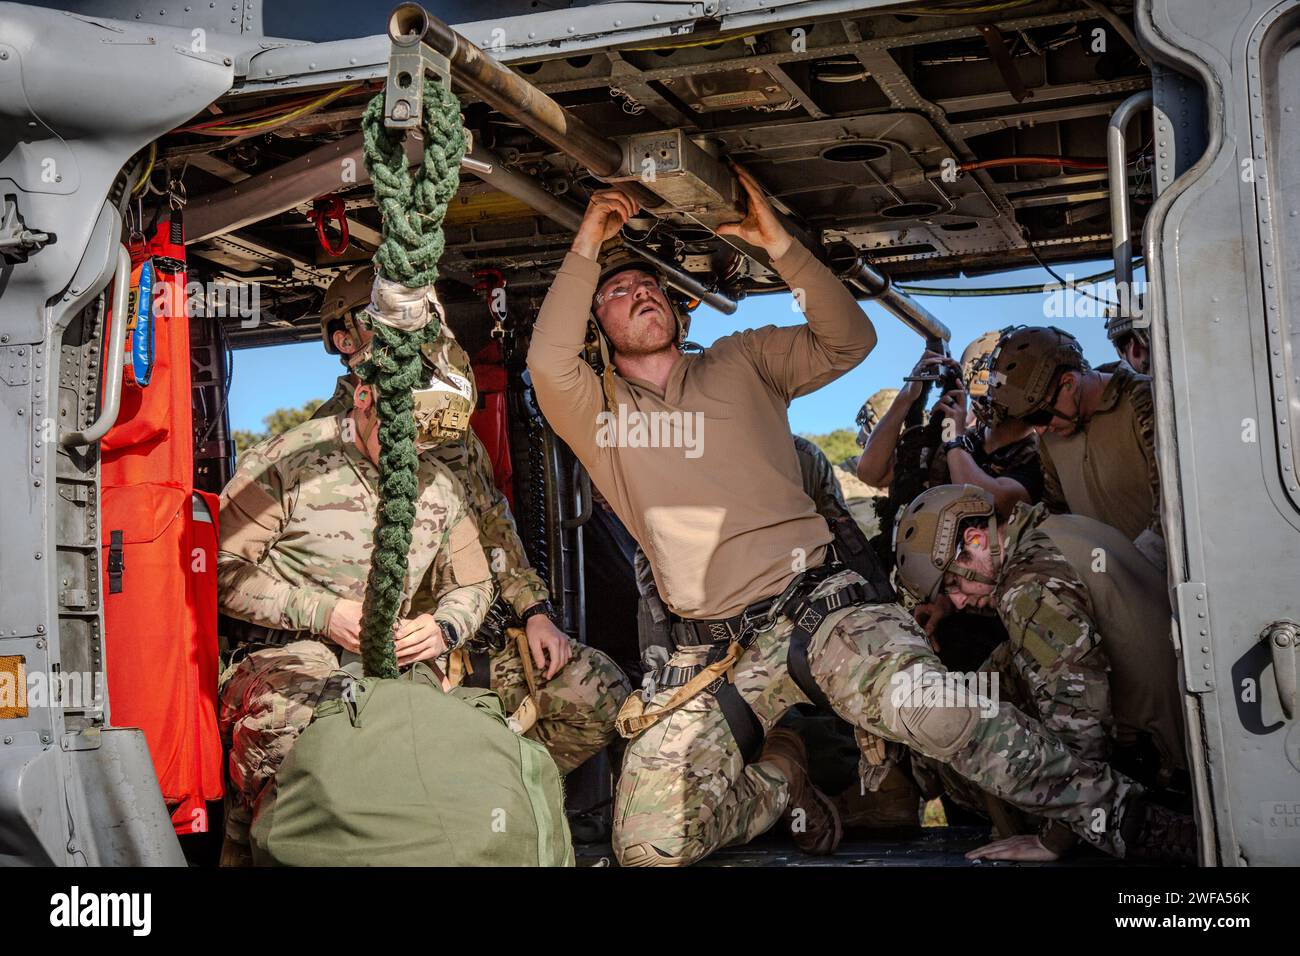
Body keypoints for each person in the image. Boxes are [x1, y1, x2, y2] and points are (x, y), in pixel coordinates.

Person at [526, 168, 1193, 866]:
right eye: (617, 294)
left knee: (947, 715)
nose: (641, 295)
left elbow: (849, 338)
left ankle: (1128, 820)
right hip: (716, 657)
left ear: (676, 308)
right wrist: (587, 247)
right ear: (596, 327)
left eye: (650, 287)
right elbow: (546, 362)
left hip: (820, 611)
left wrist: (778, 246)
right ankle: (784, 777)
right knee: (646, 846)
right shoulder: (599, 414)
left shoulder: (741, 359)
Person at [313, 266, 630, 776]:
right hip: (373, 654)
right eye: (390, 320)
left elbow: (490, 520)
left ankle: (494, 800)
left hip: (462, 639)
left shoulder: (448, 427)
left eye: (418, 319)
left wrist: (534, 612)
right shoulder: (320, 442)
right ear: (346, 337)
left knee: (597, 690)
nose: (414, 332)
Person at [216, 378, 494, 865]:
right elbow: (216, 570)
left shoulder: (438, 483)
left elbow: (474, 584)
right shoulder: (291, 459)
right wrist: (323, 613)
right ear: (365, 397)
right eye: (404, 430)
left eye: (428, 437)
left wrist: (443, 628)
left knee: (457, 747)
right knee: (309, 744)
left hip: (391, 661)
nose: (415, 449)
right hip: (282, 655)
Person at [894, 484, 1190, 861]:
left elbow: (1083, 730)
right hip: (1176, 731)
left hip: (1163, 769)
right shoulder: (1058, 529)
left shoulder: (1028, 586)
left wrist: (1054, 839)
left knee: (981, 735)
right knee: (994, 675)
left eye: (953, 582)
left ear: (975, 539)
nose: (957, 600)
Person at [983, 325, 1165, 570]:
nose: (1040, 430)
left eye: (1040, 417)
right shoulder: (1052, 439)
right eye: (1028, 421)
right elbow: (1058, 516)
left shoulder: (1146, 400)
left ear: (1068, 383)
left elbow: (1170, 510)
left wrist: (1128, 572)